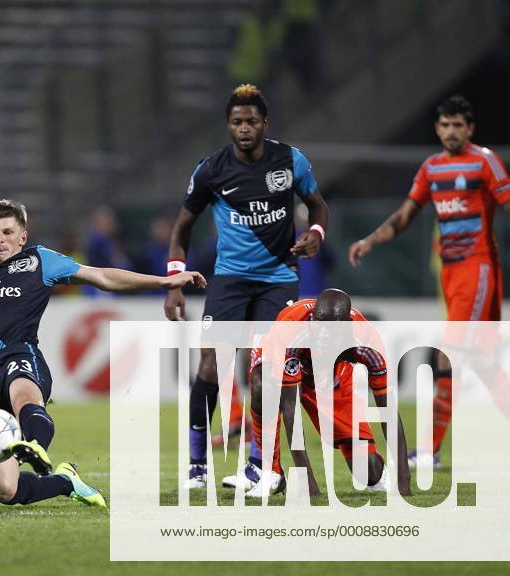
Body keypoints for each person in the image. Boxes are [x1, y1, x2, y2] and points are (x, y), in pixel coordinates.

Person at [0, 153, 206, 508]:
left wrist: (163, 280)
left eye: (7, 233)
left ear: (22, 238)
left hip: (20, 355)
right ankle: (65, 480)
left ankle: (34, 443)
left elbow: (103, 276)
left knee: (23, 396)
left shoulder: (39, 260)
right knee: (5, 491)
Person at [164, 83, 329, 490]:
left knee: (264, 373)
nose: (244, 128)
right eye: (237, 122)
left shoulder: (290, 161)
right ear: (228, 125)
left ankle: (258, 464)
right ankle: (197, 464)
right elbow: (182, 228)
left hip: (279, 280)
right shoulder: (210, 170)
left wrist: (317, 232)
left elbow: (318, 204)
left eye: (251, 121)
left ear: (264, 123)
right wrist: (174, 284)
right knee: (210, 366)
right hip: (231, 282)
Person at [349, 95, 510, 469]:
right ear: (437, 128)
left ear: (469, 129)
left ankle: (428, 449)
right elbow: (406, 215)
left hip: (478, 267)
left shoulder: (484, 161)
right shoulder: (431, 168)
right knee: (483, 361)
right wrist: (370, 240)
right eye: (445, 125)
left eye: (458, 125)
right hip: (451, 272)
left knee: (445, 357)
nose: (451, 131)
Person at [234, 289, 412, 498]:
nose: (324, 333)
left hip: (332, 376)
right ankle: (271, 472)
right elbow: (291, 411)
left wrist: (404, 481)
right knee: (262, 387)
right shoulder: (293, 331)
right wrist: (308, 482)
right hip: (284, 356)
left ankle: (373, 468)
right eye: (319, 323)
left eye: (332, 327)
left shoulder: (367, 342)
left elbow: (388, 412)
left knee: (368, 472)